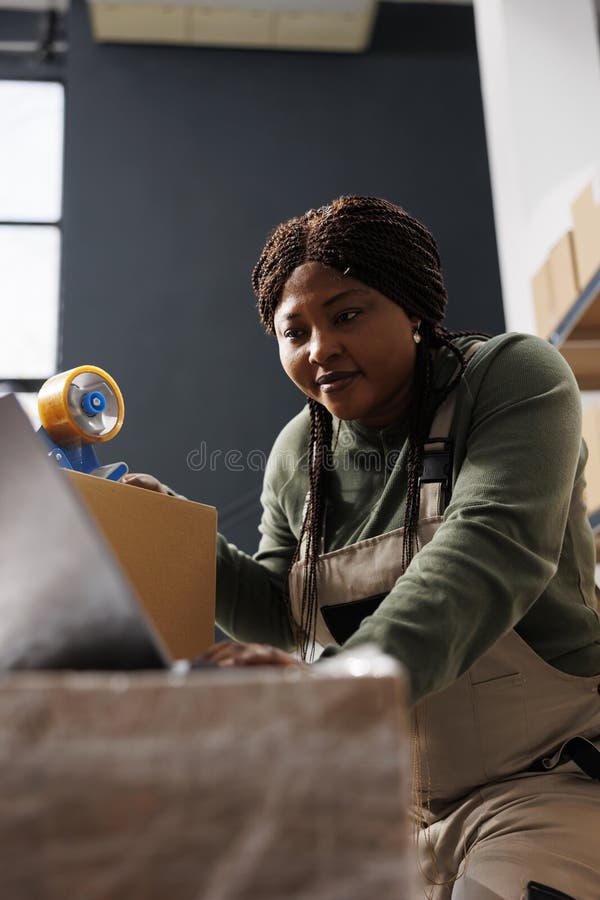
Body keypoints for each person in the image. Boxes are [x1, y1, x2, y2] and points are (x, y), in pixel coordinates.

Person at [125, 196, 600, 899]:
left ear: (411, 308)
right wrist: (166, 534)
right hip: (384, 811)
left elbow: (484, 553)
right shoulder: (299, 452)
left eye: (347, 314)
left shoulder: (509, 380)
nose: (320, 347)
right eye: (295, 332)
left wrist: (339, 690)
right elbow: (284, 615)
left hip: (542, 786)